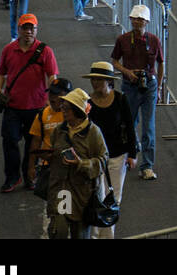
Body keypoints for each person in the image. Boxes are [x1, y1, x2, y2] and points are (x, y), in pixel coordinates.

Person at [0, 13, 59, 193]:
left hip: (36, 107)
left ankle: (30, 176)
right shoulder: (9, 50)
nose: (28, 31)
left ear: (36, 30)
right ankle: (12, 177)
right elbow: (2, 72)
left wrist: (50, 99)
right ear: (19, 29)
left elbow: (52, 76)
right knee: (10, 142)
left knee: (34, 144)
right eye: (25, 28)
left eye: (32, 28)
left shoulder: (45, 51)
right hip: (13, 106)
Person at [81, 62, 136, 237]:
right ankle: (96, 235)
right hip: (97, 157)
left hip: (118, 155)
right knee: (97, 198)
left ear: (108, 81)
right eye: (93, 79)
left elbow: (129, 126)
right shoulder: (87, 103)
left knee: (114, 199)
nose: (95, 83)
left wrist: (132, 154)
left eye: (99, 79)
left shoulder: (120, 99)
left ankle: (108, 235)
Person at [45, 87, 108, 239]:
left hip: (82, 194)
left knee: (79, 233)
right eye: (63, 107)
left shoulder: (94, 133)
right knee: (58, 231)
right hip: (62, 190)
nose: (63, 111)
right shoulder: (59, 131)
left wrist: (81, 163)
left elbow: (103, 161)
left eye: (66, 109)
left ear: (78, 111)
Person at [112, 5, 164, 181]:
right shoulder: (123, 39)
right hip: (129, 85)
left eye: (140, 19)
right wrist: (127, 72)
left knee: (148, 127)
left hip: (149, 84)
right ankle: (130, 153)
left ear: (147, 21)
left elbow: (161, 63)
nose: (137, 22)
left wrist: (159, 87)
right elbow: (115, 61)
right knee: (128, 123)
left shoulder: (155, 40)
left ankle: (147, 165)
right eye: (134, 18)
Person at [27, 78, 73, 238]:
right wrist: (31, 166)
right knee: (51, 209)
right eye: (51, 94)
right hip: (50, 172)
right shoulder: (43, 114)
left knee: (67, 210)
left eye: (57, 94)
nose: (53, 98)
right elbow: (36, 141)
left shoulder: (73, 115)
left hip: (69, 172)